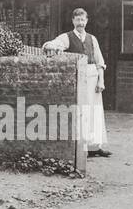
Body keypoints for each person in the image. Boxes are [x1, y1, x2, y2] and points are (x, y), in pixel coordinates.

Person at [43, 8, 110, 157]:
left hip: (93, 78)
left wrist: (101, 81)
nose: (80, 23)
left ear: (87, 21)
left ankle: (95, 146)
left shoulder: (92, 39)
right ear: (73, 21)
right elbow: (53, 44)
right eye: (78, 20)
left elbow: (99, 62)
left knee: (95, 111)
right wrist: (50, 46)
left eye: (83, 20)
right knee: (82, 111)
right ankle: (82, 147)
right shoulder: (67, 37)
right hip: (79, 77)